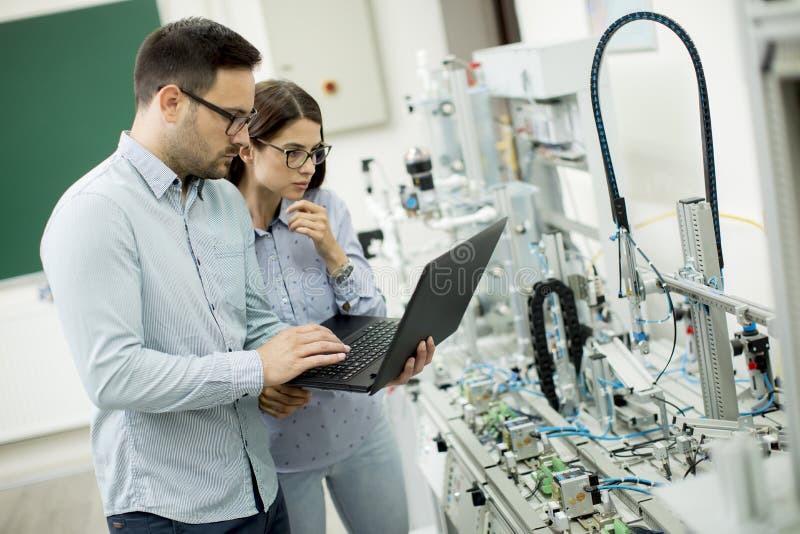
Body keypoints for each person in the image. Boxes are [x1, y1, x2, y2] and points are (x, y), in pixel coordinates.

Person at [40, 18, 350, 533]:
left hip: (259, 487)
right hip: (171, 510)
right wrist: (257, 369)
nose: (243, 137)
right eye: (231, 118)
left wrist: (343, 365)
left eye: (248, 118)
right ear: (170, 103)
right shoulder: (94, 212)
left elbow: (254, 321)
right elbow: (114, 376)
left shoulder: (223, 198)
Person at [228, 79, 435, 533]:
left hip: (361, 430)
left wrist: (333, 253)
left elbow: (373, 314)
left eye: (317, 151)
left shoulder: (327, 209)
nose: (307, 167)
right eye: (293, 151)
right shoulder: (218, 235)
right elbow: (213, 340)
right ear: (247, 147)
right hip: (278, 452)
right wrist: (253, 386)